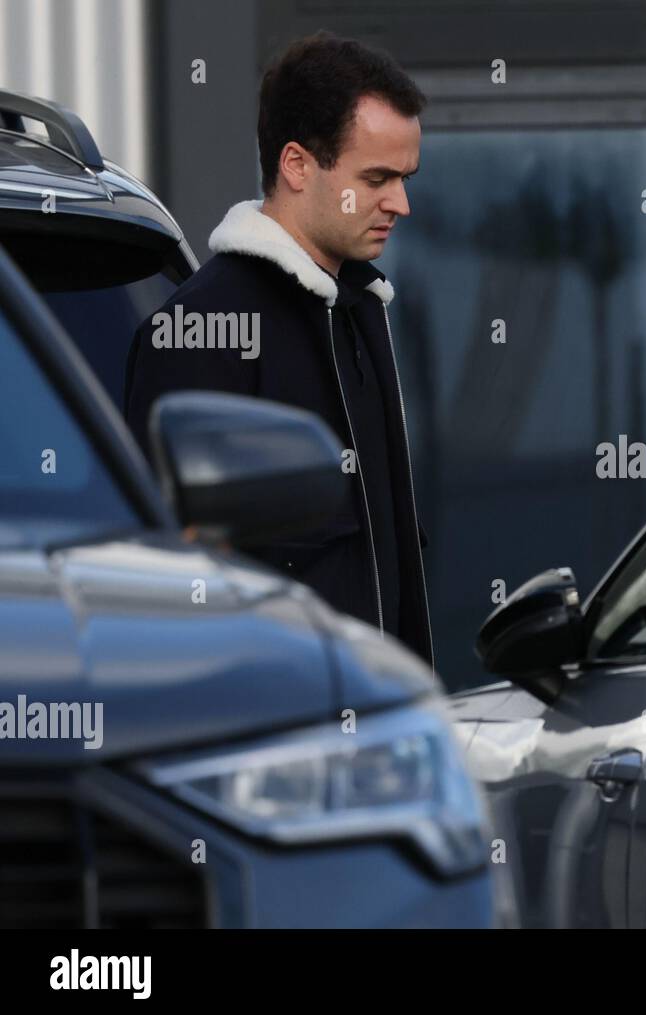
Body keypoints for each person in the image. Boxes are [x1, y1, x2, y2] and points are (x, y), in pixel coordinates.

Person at [124, 30, 432, 665]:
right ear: (297, 165)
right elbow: (176, 587)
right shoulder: (199, 330)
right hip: (278, 739)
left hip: (376, 727)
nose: (399, 202)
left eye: (404, 178)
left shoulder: (362, 310)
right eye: (376, 177)